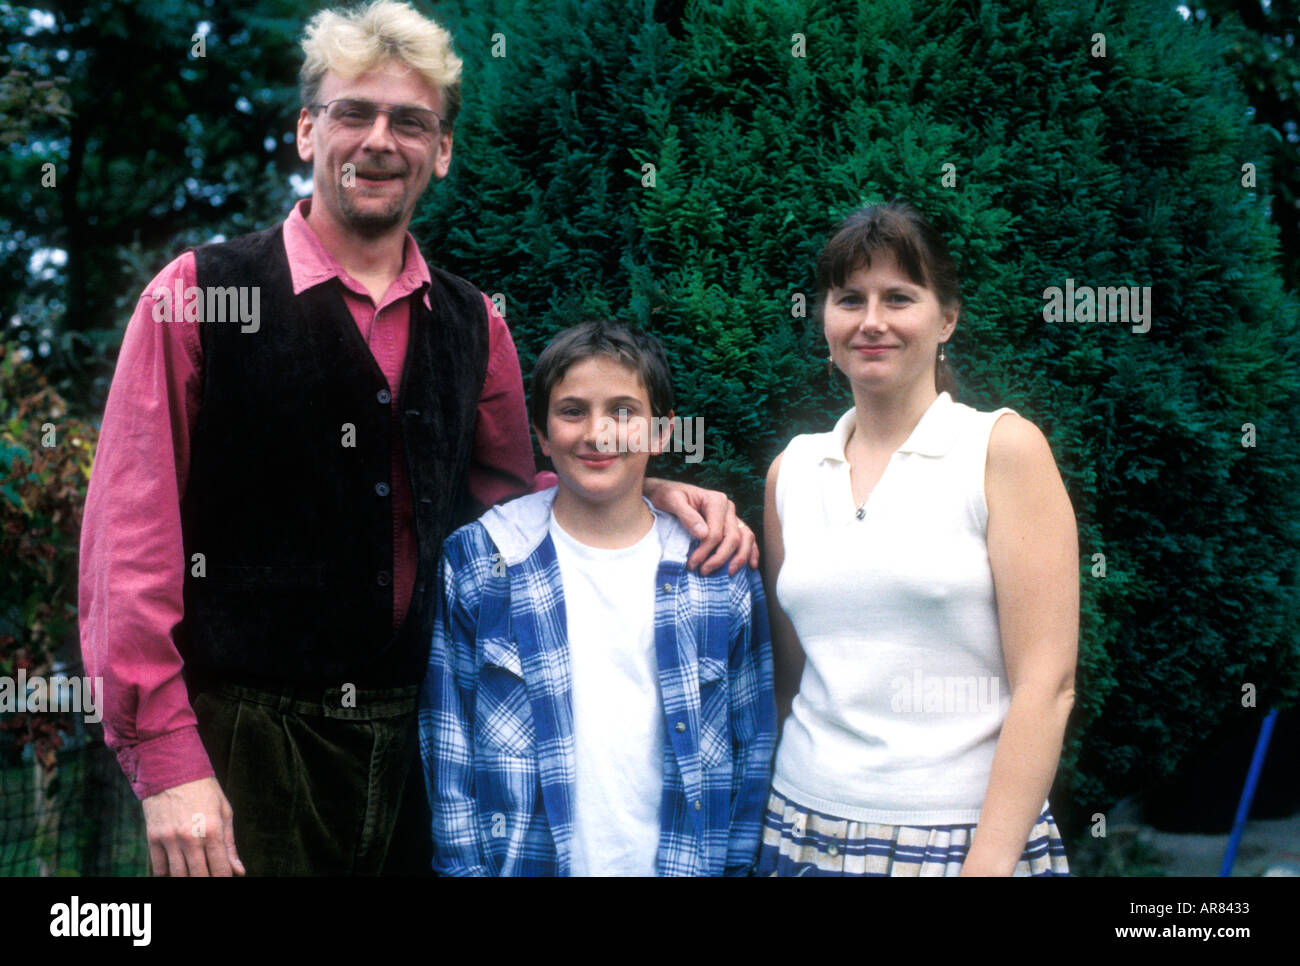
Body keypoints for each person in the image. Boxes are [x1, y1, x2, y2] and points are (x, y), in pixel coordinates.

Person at [77, 0, 755, 877]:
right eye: (354, 113)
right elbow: (127, 546)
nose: (379, 140)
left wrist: (645, 491)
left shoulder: (477, 325)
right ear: (306, 130)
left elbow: (512, 511)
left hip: (420, 743)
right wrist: (167, 761)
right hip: (243, 742)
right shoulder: (199, 294)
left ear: (440, 150)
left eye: (409, 121)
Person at [757, 202, 1076, 876]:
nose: (871, 320)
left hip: (960, 841)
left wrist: (985, 867)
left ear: (947, 318)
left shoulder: (1000, 450)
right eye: (850, 299)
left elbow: (1046, 686)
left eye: (899, 297)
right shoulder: (791, 471)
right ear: (825, 321)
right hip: (801, 829)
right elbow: (794, 672)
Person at [419, 321, 776, 876]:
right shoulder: (482, 561)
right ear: (540, 434)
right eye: (572, 411)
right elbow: (449, 747)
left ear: (662, 434)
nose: (598, 432)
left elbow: (751, 740)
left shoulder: (716, 569)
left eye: (624, 412)